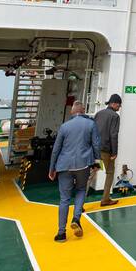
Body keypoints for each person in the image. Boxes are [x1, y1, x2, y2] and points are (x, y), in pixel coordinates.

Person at [48, 102, 101, 243]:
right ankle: (76, 218)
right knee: (81, 190)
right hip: (83, 165)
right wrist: (97, 162)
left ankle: (61, 233)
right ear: (83, 111)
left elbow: (56, 149)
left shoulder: (64, 127)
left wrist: (52, 168)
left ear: (72, 112)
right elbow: (96, 144)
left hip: (64, 166)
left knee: (64, 198)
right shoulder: (91, 124)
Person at [94, 94, 122, 207]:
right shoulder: (115, 116)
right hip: (106, 151)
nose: (119, 108)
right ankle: (105, 199)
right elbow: (113, 134)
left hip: (96, 150)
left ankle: (80, 203)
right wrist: (114, 152)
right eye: (119, 105)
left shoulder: (98, 114)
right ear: (114, 104)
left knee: (91, 174)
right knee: (109, 172)